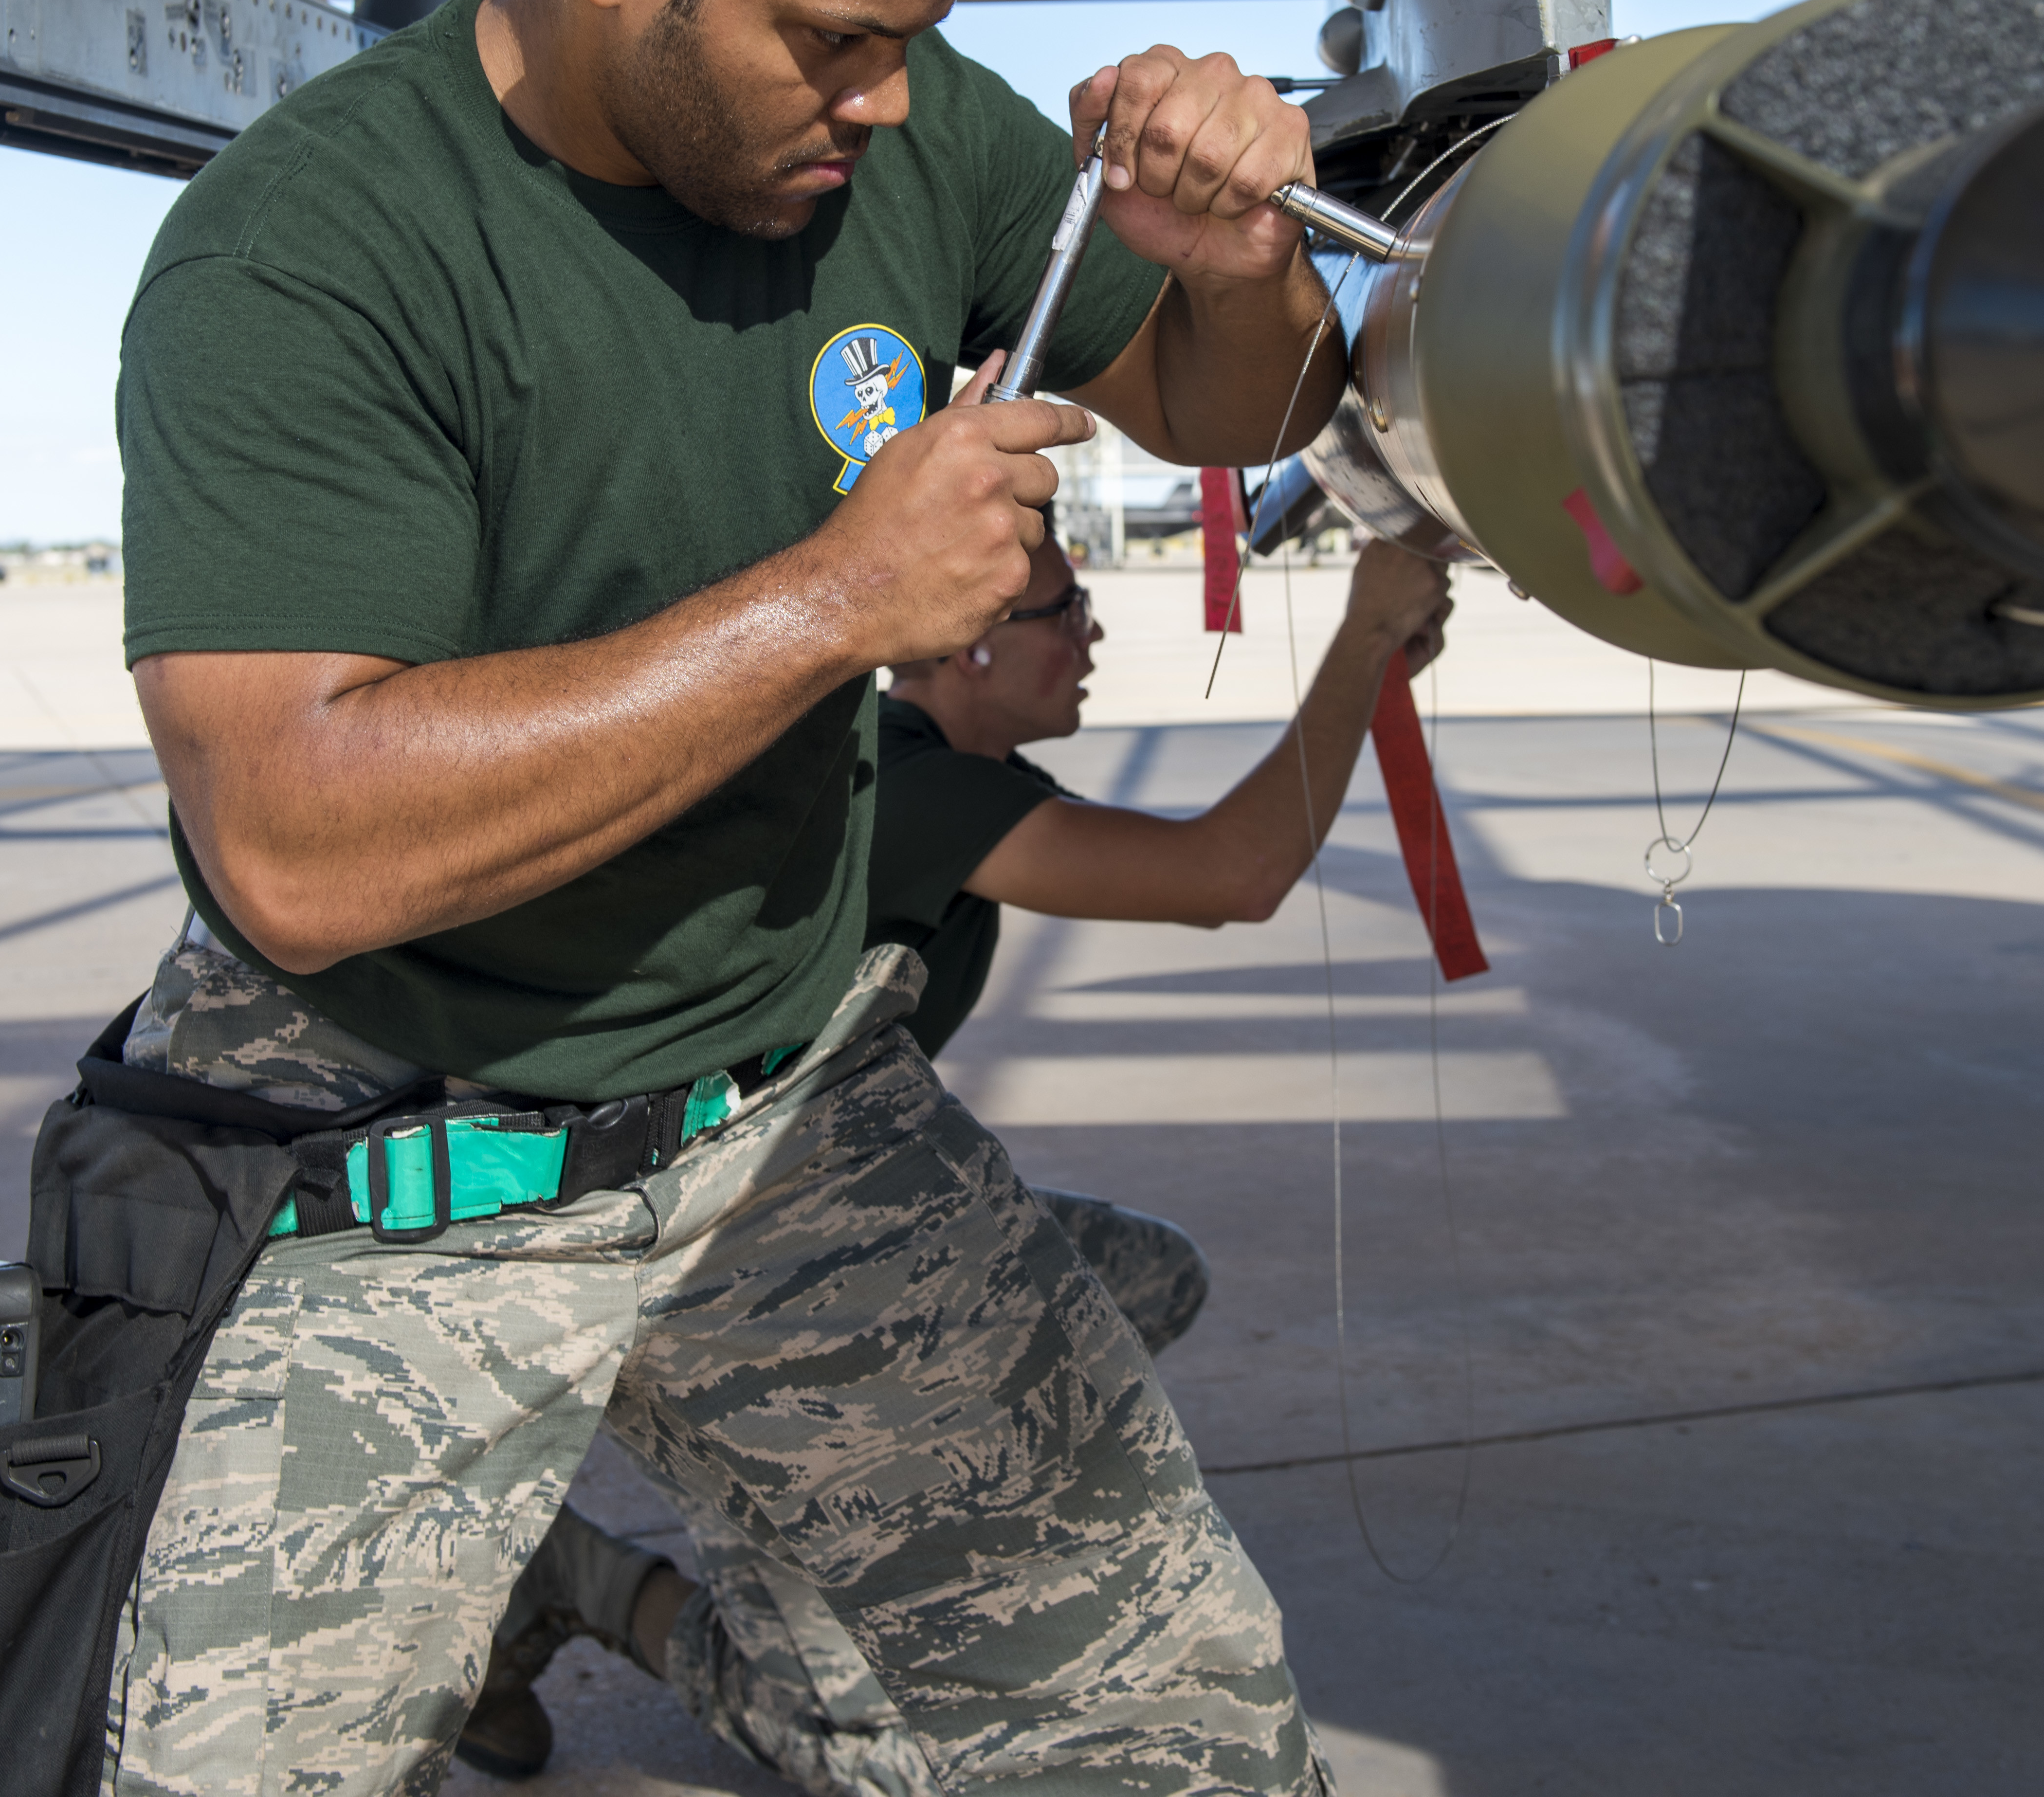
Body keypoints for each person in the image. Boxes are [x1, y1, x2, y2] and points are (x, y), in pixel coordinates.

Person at [101, 0, 1352, 1797]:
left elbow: (1240, 418)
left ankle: (592, 1588)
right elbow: (299, 849)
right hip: (400, 1138)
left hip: (773, 1095)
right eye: (835, 40)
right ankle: (532, 1579)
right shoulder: (310, 252)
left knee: (1179, 1728)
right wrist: (836, 599)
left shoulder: (897, 140)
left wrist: (1228, 263)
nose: (885, 99)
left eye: (918, 42)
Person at [460, 527, 1456, 1782]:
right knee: (872, 1758)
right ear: (966, 644)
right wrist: (1361, 642)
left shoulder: (960, 780)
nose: (1092, 633)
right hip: (702, 1273)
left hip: (803, 1235)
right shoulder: (906, 779)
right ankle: (585, 1578)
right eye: (1065, 609)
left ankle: (898, 1513)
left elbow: (1206, 861)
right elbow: (1231, 873)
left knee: (1141, 1279)